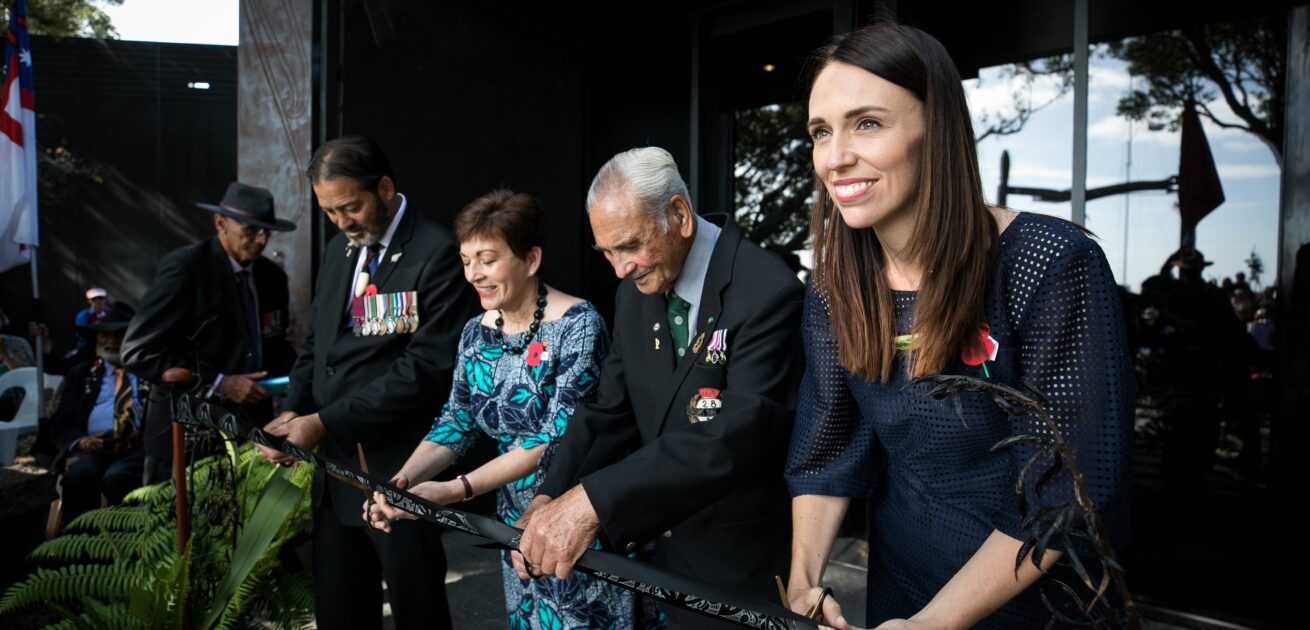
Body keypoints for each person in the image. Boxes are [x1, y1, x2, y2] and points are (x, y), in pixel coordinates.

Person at [784, 23, 1133, 629]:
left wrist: (936, 623)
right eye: (821, 131)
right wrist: (804, 583)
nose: (835, 157)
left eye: (867, 123)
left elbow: (1068, 493)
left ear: (937, 127)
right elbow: (828, 448)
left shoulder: (1046, 264)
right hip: (902, 591)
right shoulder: (833, 284)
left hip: (1037, 605)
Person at [514, 147, 804, 629]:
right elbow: (609, 410)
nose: (619, 269)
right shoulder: (634, 292)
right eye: (606, 252)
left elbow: (731, 439)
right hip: (666, 558)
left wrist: (592, 502)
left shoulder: (768, 292)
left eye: (629, 246)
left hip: (740, 568)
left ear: (678, 215)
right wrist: (551, 495)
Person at [365, 189, 643, 628]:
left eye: (487, 259)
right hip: (513, 522)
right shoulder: (475, 332)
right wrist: (402, 482)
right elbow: (456, 420)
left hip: (576, 520)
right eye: (465, 260)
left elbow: (556, 440)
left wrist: (453, 490)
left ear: (531, 259)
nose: (473, 274)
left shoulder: (580, 324)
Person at [258, 135, 479, 630]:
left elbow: (424, 369)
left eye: (350, 207)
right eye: (329, 212)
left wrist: (323, 421)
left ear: (384, 188)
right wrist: (293, 411)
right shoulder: (340, 250)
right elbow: (320, 346)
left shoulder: (437, 252)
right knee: (340, 611)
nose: (340, 222)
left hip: (398, 468)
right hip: (334, 474)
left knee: (416, 608)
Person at [122, 182, 297, 482]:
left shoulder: (272, 277)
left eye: (267, 231)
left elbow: (276, 344)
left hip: (251, 433)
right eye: (251, 229)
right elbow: (139, 352)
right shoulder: (186, 269)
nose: (261, 239)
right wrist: (220, 383)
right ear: (220, 223)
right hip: (188, 434)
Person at [49, 302, 148, 524]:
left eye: (120, 333)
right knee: (80, 475)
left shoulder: (150, 372)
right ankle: (80, 547)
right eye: (105, 334)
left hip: (137, 450)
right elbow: (60, 423)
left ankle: (125, 546)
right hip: (91, 450)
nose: (111, 340)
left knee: (118, 477)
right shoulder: (81, 373)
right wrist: (81, 442)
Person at [71, 287, 109, 355]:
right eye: (94, 299)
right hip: (87, 350)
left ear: (105, 299)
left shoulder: (111, 313)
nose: (98, 301)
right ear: (89, 301)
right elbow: (80, 335)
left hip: (108, 349)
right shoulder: (82, 315)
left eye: (100, 298)